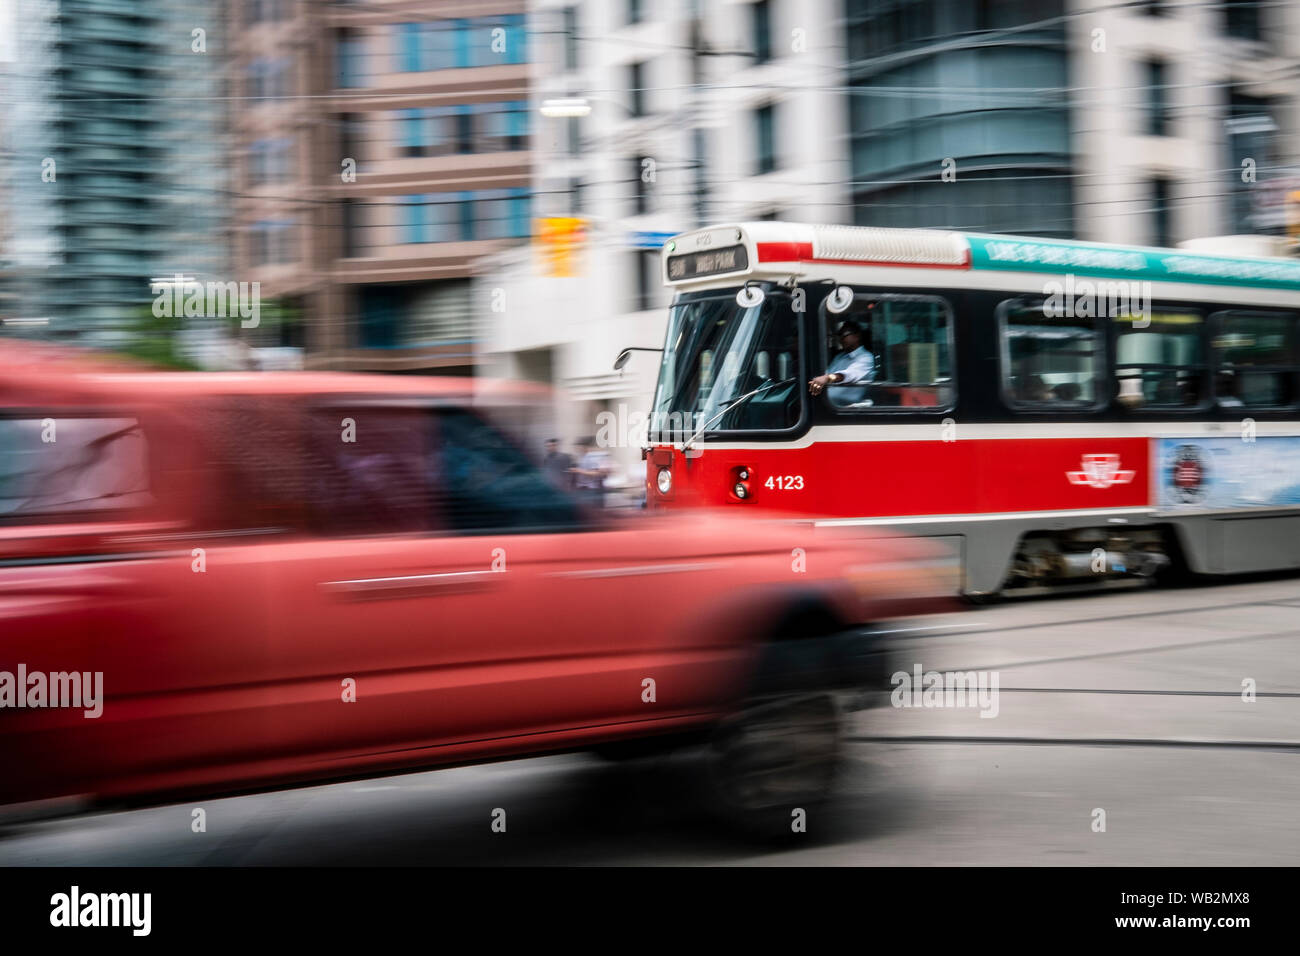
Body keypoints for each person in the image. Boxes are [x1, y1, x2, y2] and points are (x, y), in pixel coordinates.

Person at [808, 318, 875, 405]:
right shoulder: (840, 357)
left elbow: (848, 375)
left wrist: (827, 378)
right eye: (839, 335)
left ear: (857, 336)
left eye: (844, 335)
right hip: (827, 404)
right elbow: (827, 374)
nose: (841, 339)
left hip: (847, 409)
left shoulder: (866, 358)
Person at [572, 436, 612, 507]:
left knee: (594, 511)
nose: (577, 449)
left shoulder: (593, 456)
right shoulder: (584, 456)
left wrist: (579, 471)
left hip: (593, 489)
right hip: (586, 489)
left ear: (584, 446)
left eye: (579, 446)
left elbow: (597, 473)